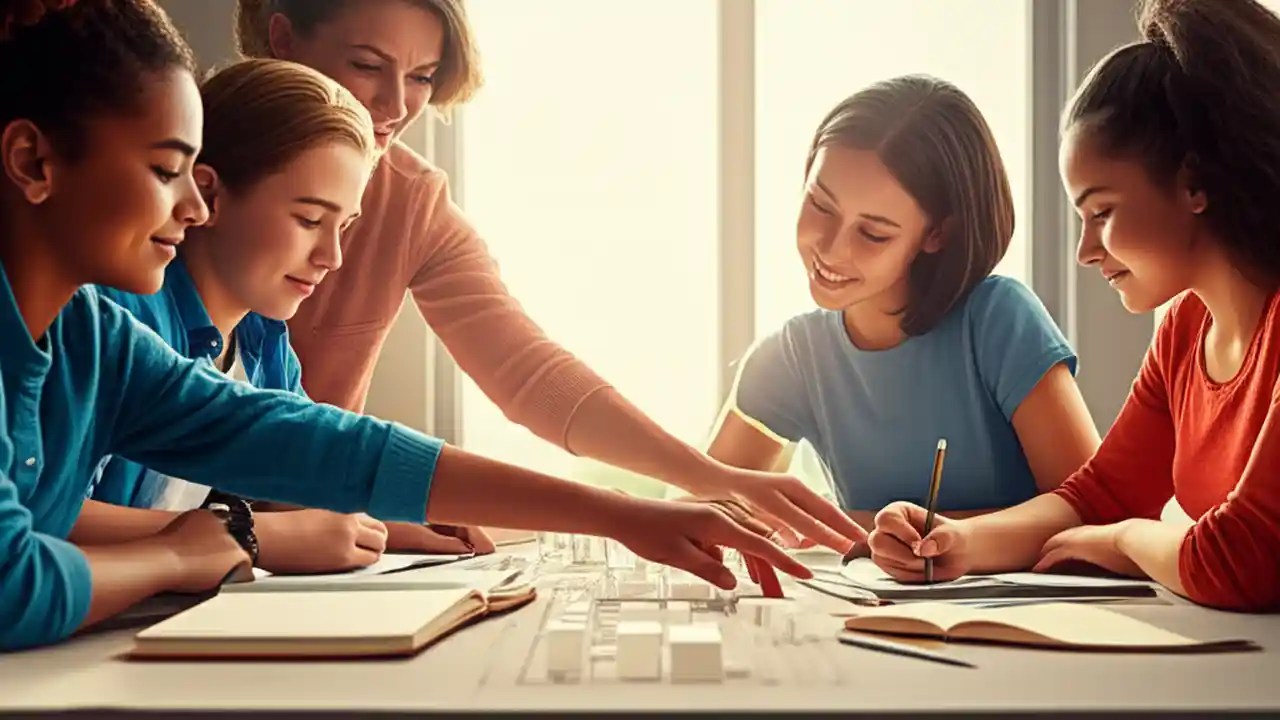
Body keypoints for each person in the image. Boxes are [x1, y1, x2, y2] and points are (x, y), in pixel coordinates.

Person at [0, 0, 813, 651]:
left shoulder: (101, 337)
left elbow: (325, 443)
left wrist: (628, 511)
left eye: (421, 76)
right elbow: (19, 568)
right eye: (165, 170)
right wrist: (205, 544)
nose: (191, 206)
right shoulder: (119, 310)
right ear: (33, 162)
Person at [230, 0, 865, 551]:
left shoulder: (411, 200)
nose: (396, 106)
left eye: (422, 76)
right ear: (284, 40)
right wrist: (263, 533)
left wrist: (708, 477)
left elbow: (526, 373)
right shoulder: (190, 194)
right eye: (367, 65)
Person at [868, 0, 1280, 612]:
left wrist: (1124, 541)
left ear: (1194, 184)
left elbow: (1239, 561)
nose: (1086, 251)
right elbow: (1099, 497)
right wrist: (958, 541)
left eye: (1102, 212)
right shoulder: (1184, 329)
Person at [706, 76, 1099, 550]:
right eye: (820, 205)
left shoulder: (998, 320)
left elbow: (1094, 510)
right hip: (864, 599)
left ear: (937, 234)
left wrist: (864, 527)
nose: (831, 249)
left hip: (1023, 599)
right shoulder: (791, 356)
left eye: (873, 233)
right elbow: (705, 506)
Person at [72, 57, 425, 574]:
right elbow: (41, 515)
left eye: (344, 226)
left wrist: (401, 516)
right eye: (309, 220)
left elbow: (298, 477)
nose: (332, 257)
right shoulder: (118, 318)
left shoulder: (263, 341)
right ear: (208, 194)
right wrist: (246, 535)